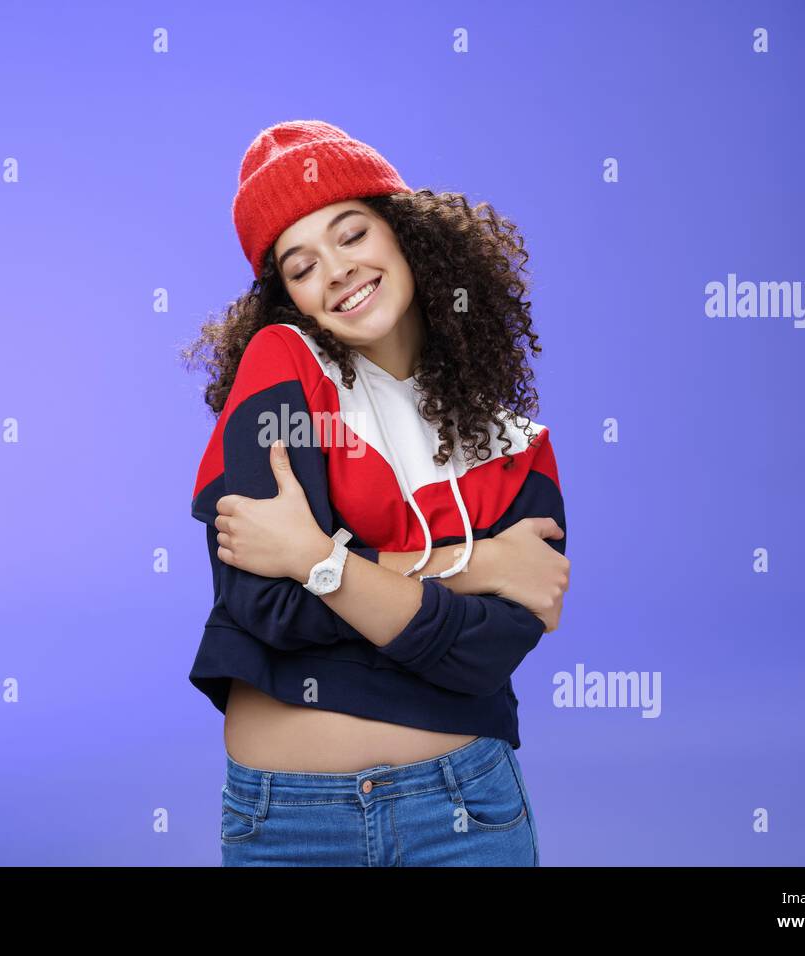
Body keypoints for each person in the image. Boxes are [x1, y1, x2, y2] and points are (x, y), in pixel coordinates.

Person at [181, 120, 570, 866]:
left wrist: (315, 557)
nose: (335, 270)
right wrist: (478, 562)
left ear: (405, 235)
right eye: (301, 265)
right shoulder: (282, 370)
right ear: (288, 296)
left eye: (351, 233)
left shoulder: (517, 444)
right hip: (288, 828)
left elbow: (482, 657)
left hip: (466, 817)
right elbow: (265, 604)